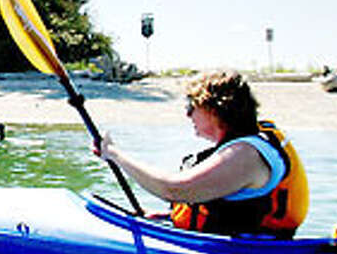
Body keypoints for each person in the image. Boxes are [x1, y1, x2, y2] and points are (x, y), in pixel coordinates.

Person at [93, 70, 309, 238]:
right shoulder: (252, 142)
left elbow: (172, 189)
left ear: (213, 109)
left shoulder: (246, 155)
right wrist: (169, 216)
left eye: (191, 106)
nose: (188, 114)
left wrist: (113, 153)